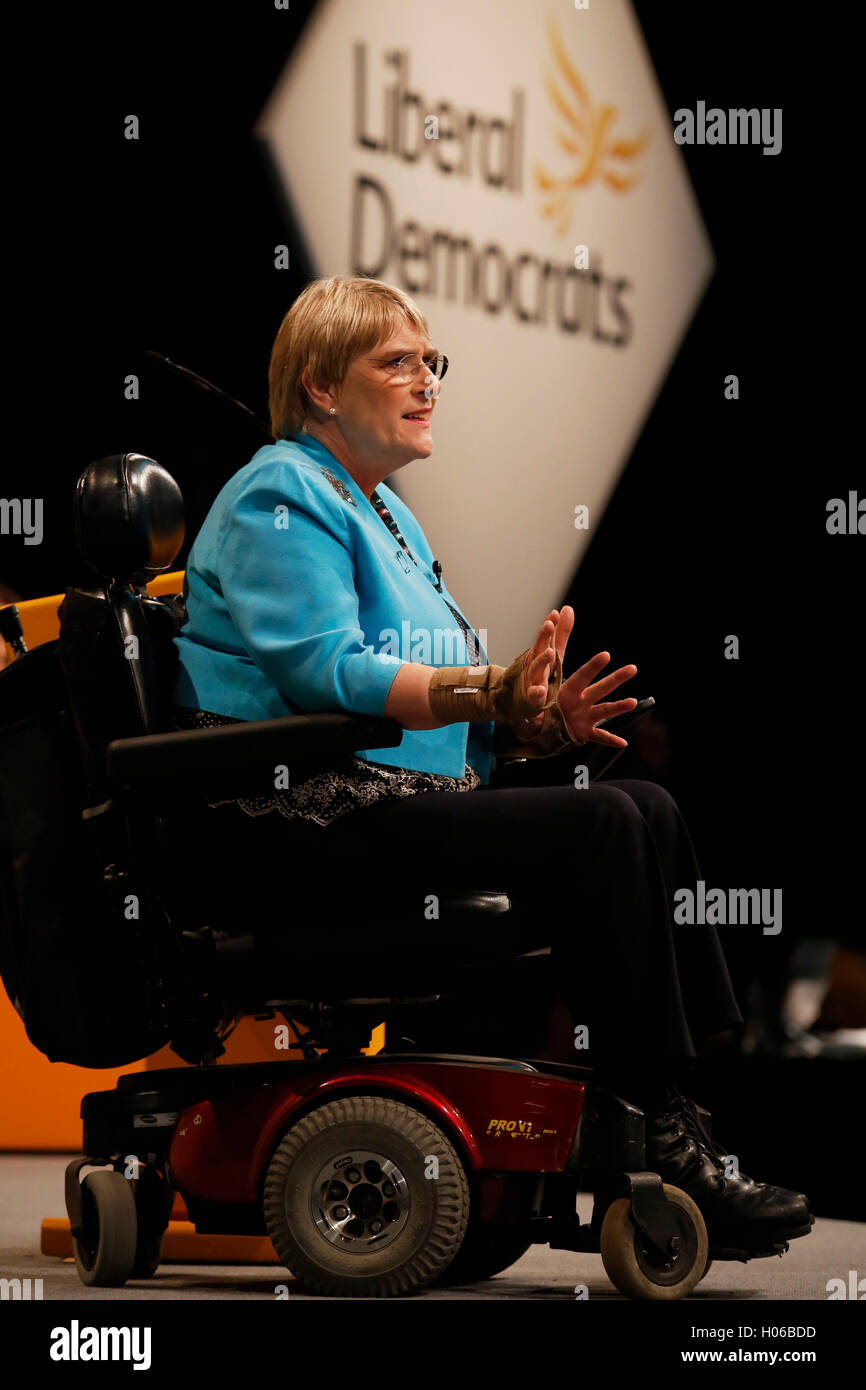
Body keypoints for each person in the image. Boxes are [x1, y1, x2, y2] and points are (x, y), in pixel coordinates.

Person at [172, 273, 812, 1252]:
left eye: (433, 361)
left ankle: (673, 1105)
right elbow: (323, 671)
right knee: (604, 823)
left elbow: (424, 710)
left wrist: (530, 726)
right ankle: (656, 1131)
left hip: (381, 806)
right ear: (319, 387)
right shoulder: (279, 492)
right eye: (397, 361)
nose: (427, 380)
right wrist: (488, 690)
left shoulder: (390, 515)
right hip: (293, 828)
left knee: (642, 803)